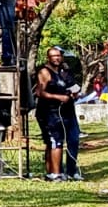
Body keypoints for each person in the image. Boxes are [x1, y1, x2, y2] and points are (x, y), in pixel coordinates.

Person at [33, 46, 77, 181]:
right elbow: (40, 92)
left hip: (65, 111)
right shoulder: (44, 72)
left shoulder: (63, 72)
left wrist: (72, 94)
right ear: (48, 58)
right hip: (49, 112)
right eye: (54, 56)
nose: (57, 58)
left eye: (58, 56)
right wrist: (59, 97)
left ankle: (60, 171)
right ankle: (55, 173)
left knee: (66, 140)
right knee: (55, 142)